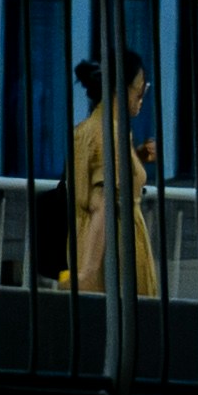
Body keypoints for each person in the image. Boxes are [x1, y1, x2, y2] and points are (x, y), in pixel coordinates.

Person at [63, 52, 153, 303]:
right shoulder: (111, 135)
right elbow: (102, 203)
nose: (142, 97)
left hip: (82, 243)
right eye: (141, 89)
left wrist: (137, 158)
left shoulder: (87, 129)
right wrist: (88, 272)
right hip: (114, 255)